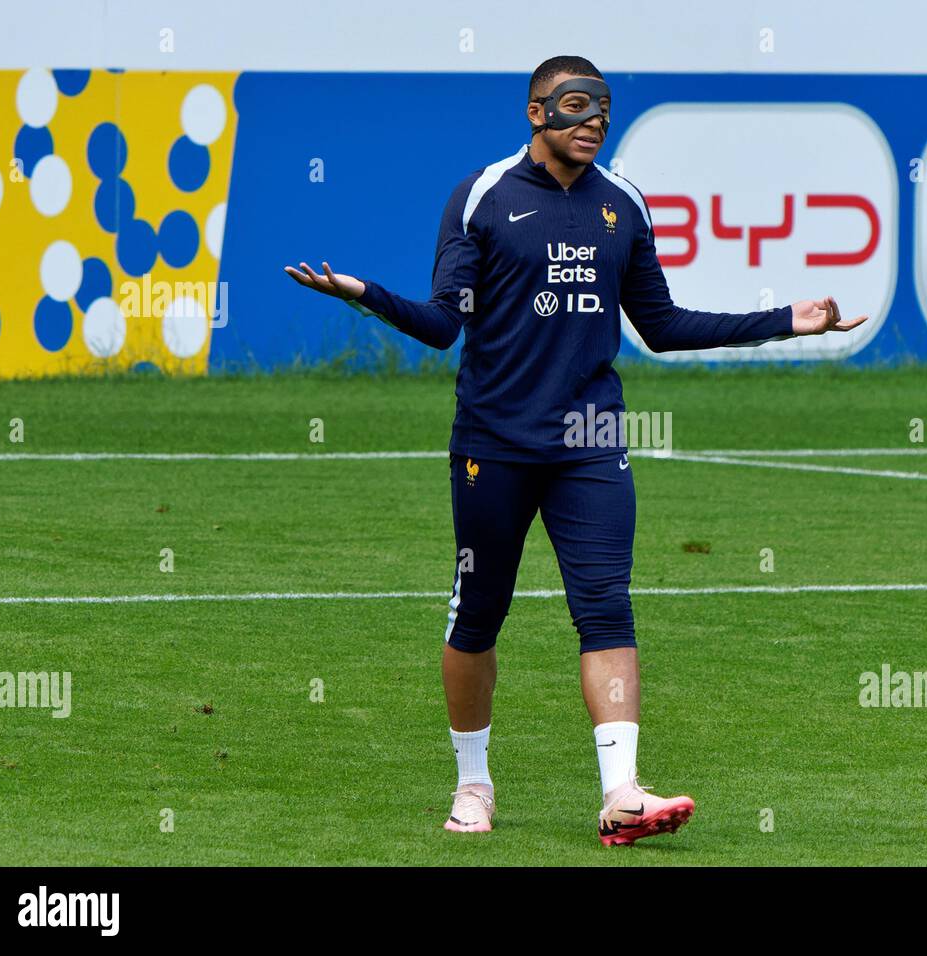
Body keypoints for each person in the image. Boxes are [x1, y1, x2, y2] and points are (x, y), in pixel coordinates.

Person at [284, 55, 867, 846]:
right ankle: (472, 784)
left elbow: (661, 327)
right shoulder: (483, 197)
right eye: (574, 106)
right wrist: (364, 297)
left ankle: (622, 792)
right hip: (494, 439)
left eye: (602, 108)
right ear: (535, 113)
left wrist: (784, 321)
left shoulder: (622, 203)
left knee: (606, 606)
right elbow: (442, 324)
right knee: (477, 617)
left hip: (591, 437)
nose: (592, 120)